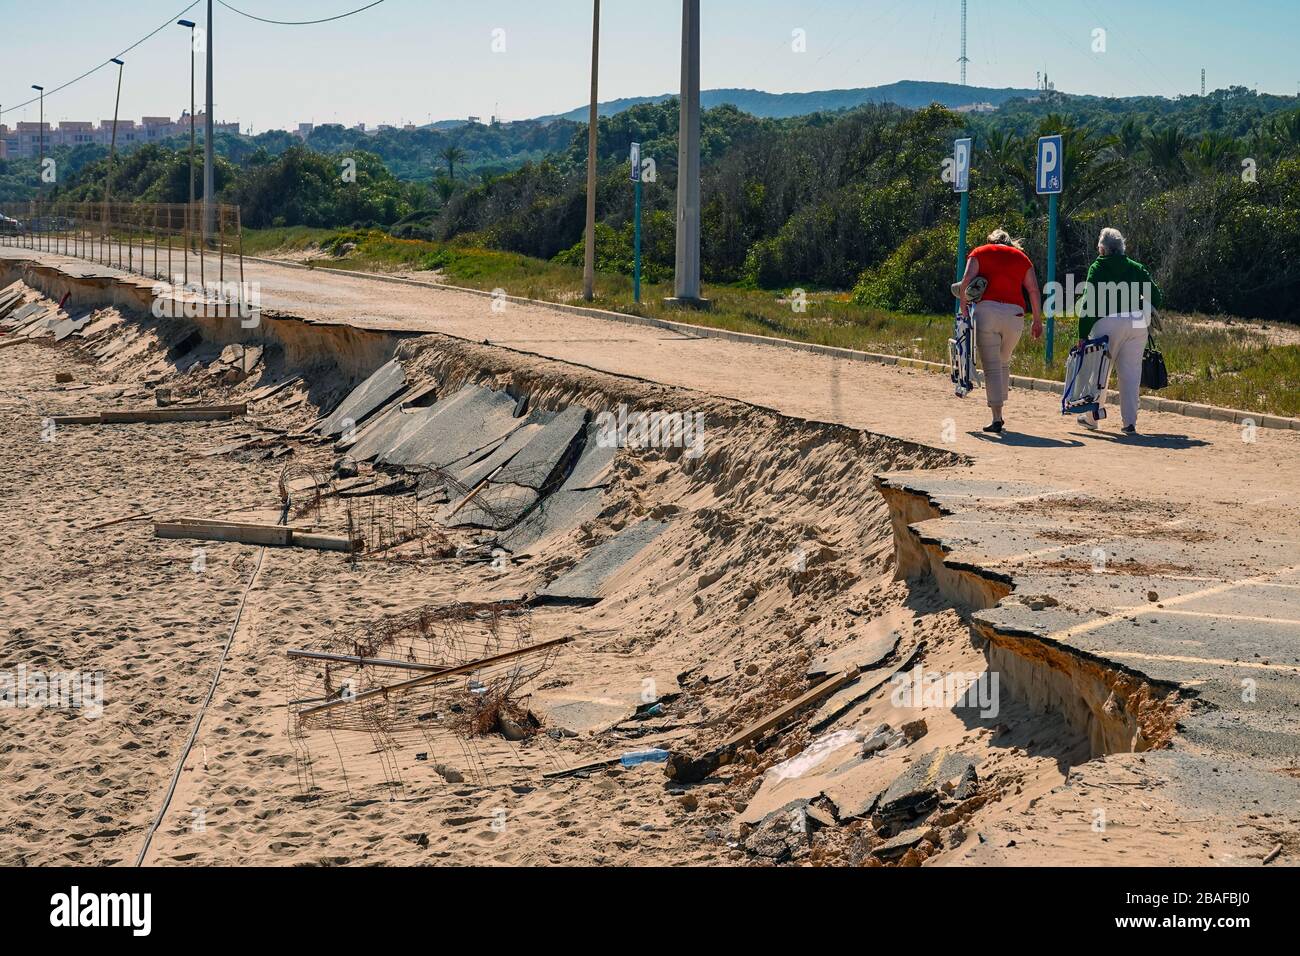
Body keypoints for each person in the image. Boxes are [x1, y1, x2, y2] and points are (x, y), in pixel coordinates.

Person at [1074, 227, 1164, 435]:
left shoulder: (1098, 267)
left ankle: (1091, 418)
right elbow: (1156, 297)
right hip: (1137, 323)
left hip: (1107, 323)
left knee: (1101, 372)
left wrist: (1081, 334)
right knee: (1131, 374)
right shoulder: (1136, 267)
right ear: (1122, 248)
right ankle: (1129, 422)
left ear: (1103, 249)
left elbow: (1089, 302)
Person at [953, 229, 1044, 433]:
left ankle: (997, 417)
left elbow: (966, 281)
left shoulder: (979, 252)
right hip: (1015, 316)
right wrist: (1037, 320)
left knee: (992, 366)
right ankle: (1000, 403)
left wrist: (963, 308)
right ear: (1010, 242)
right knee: (1003, 360)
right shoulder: (1022, 258)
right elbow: (1033, 290)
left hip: (987, 312)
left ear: (990, 240)